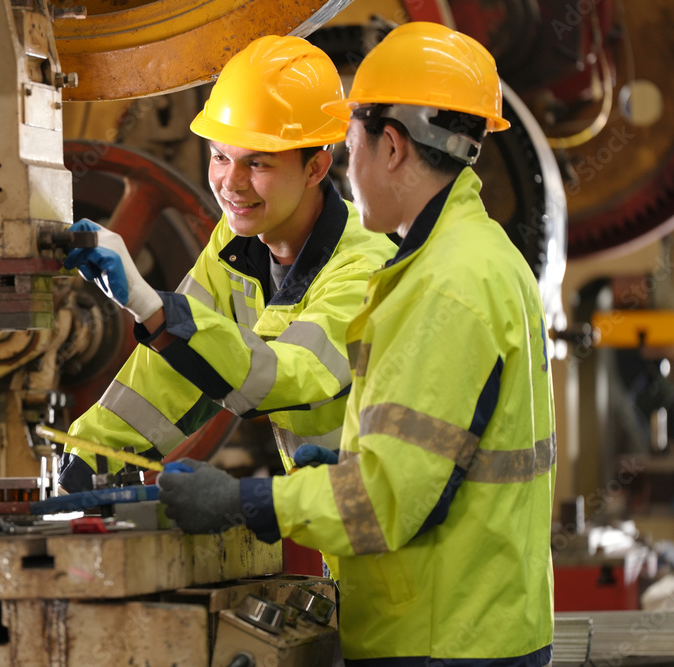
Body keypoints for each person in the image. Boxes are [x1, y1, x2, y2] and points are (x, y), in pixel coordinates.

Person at [158, 22, 556, 665]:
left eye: (347, 149)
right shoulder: (481, 259)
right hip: (478, 620)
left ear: (392, 146)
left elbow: (388, 497)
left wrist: (244, 501)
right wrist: (329, 469)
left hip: (440, 636)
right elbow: (439, 456)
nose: (344, 170)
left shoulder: (442, 287)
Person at [58, 35, 396, 492]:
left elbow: (285, 377)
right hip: (346, 520)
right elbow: (174, 373)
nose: (231, 185)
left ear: (316, 168)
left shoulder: (365, 267)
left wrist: (147, 303)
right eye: (220, 156)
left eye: (257, 163)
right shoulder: (237, 240)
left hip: (404, 534)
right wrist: (92, 452)